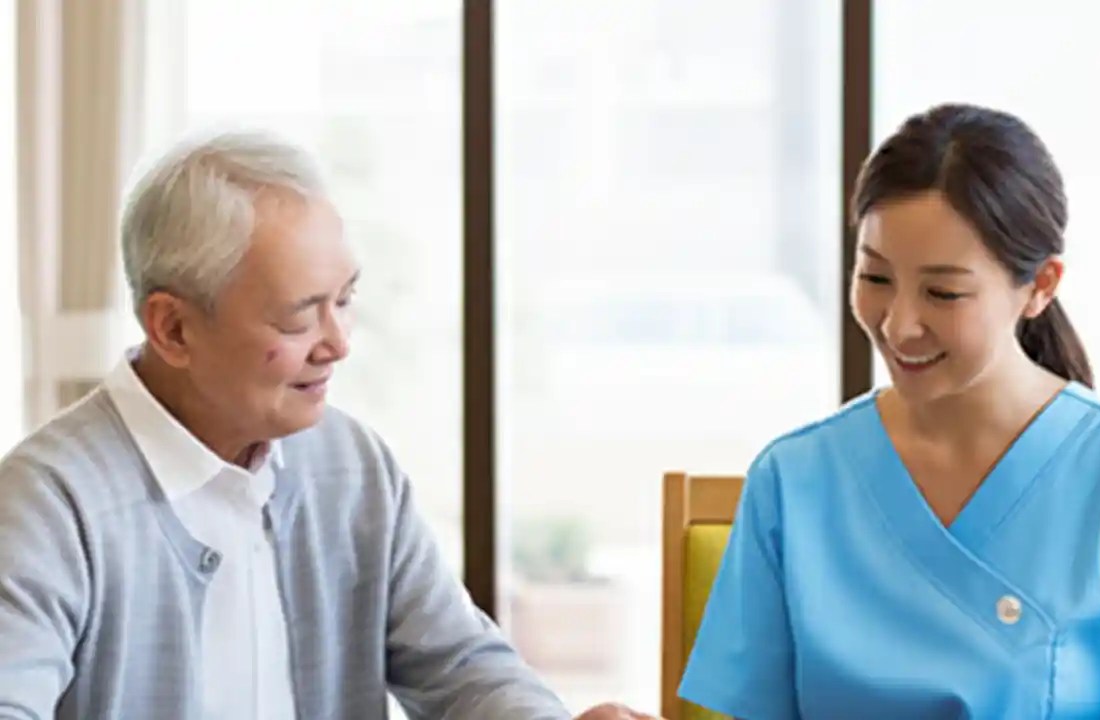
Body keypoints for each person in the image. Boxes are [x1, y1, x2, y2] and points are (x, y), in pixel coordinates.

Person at [0, 129, 660, 720]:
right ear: (172, 327)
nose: (338, 343)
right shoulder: (47, 504)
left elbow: (462, 669)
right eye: (298, 318)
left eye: (344, 301)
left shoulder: (352, 466)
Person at [678, 103, 1100, 718]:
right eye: (875, 277)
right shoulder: (792, 479)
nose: (899, 324)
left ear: (1041, 285)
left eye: (943, 293)